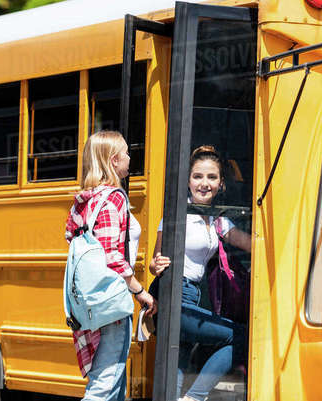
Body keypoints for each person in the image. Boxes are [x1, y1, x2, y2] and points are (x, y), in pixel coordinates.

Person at [149, 145, 251, 401]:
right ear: (188, 181)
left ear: (221, 184)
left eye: (211, 177)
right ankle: (196, 397)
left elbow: (251, 244)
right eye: (198, 177)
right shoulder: (176, 214)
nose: (204, 183)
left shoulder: (217, 219)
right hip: (173, 293)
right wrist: (156, 265)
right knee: (239, 336)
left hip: (192, 296)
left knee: (179, 362)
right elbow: (155, 260)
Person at [65, 130, 155, 401]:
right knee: (105, 384)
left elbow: (73, 239)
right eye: (126, 153)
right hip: (110, 301)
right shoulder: (114, 198)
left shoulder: (84, 200)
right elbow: (111, 256)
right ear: (113, 160)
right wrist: (140, 291)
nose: (130, 157)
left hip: (86, 301)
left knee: (115, 388)